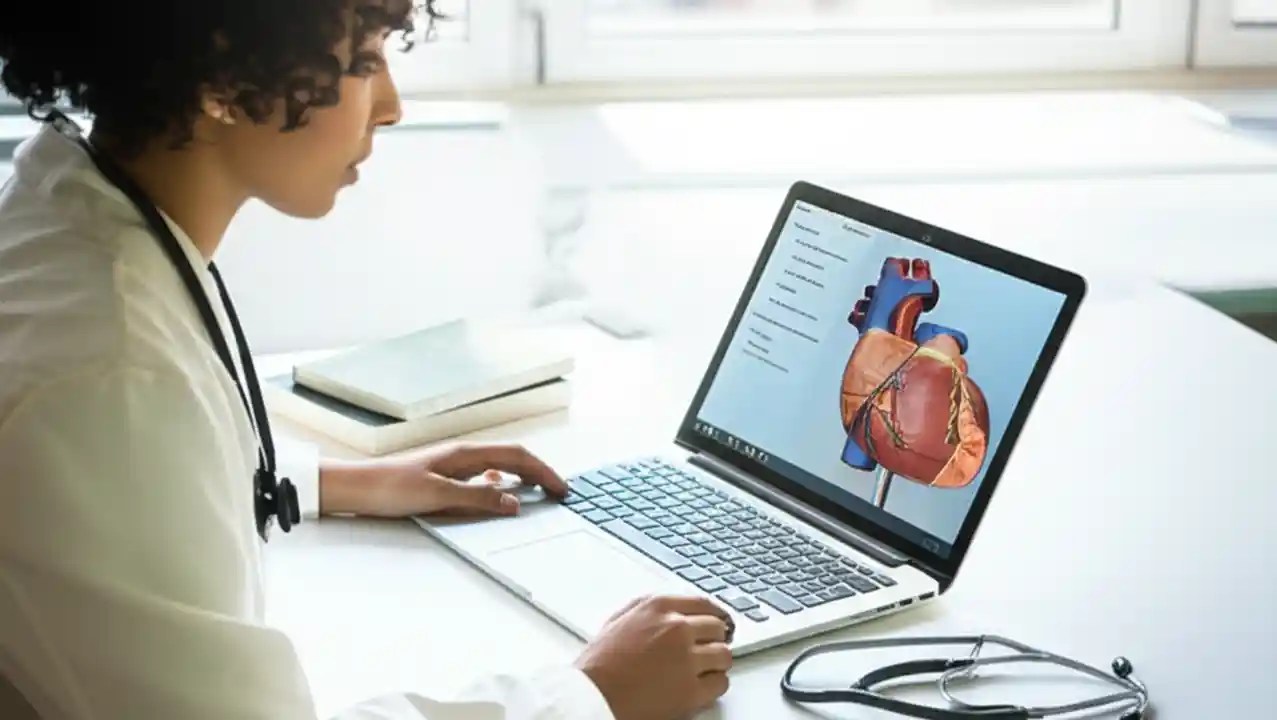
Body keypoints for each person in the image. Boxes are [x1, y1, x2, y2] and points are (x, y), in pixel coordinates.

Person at [0, 2, 733, 718]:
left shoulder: (68, 213)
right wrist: (589, 696)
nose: (390, 107)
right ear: (222, 73)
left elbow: (124, 489)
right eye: (363, 58)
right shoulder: (113, 370)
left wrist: (330, 483)